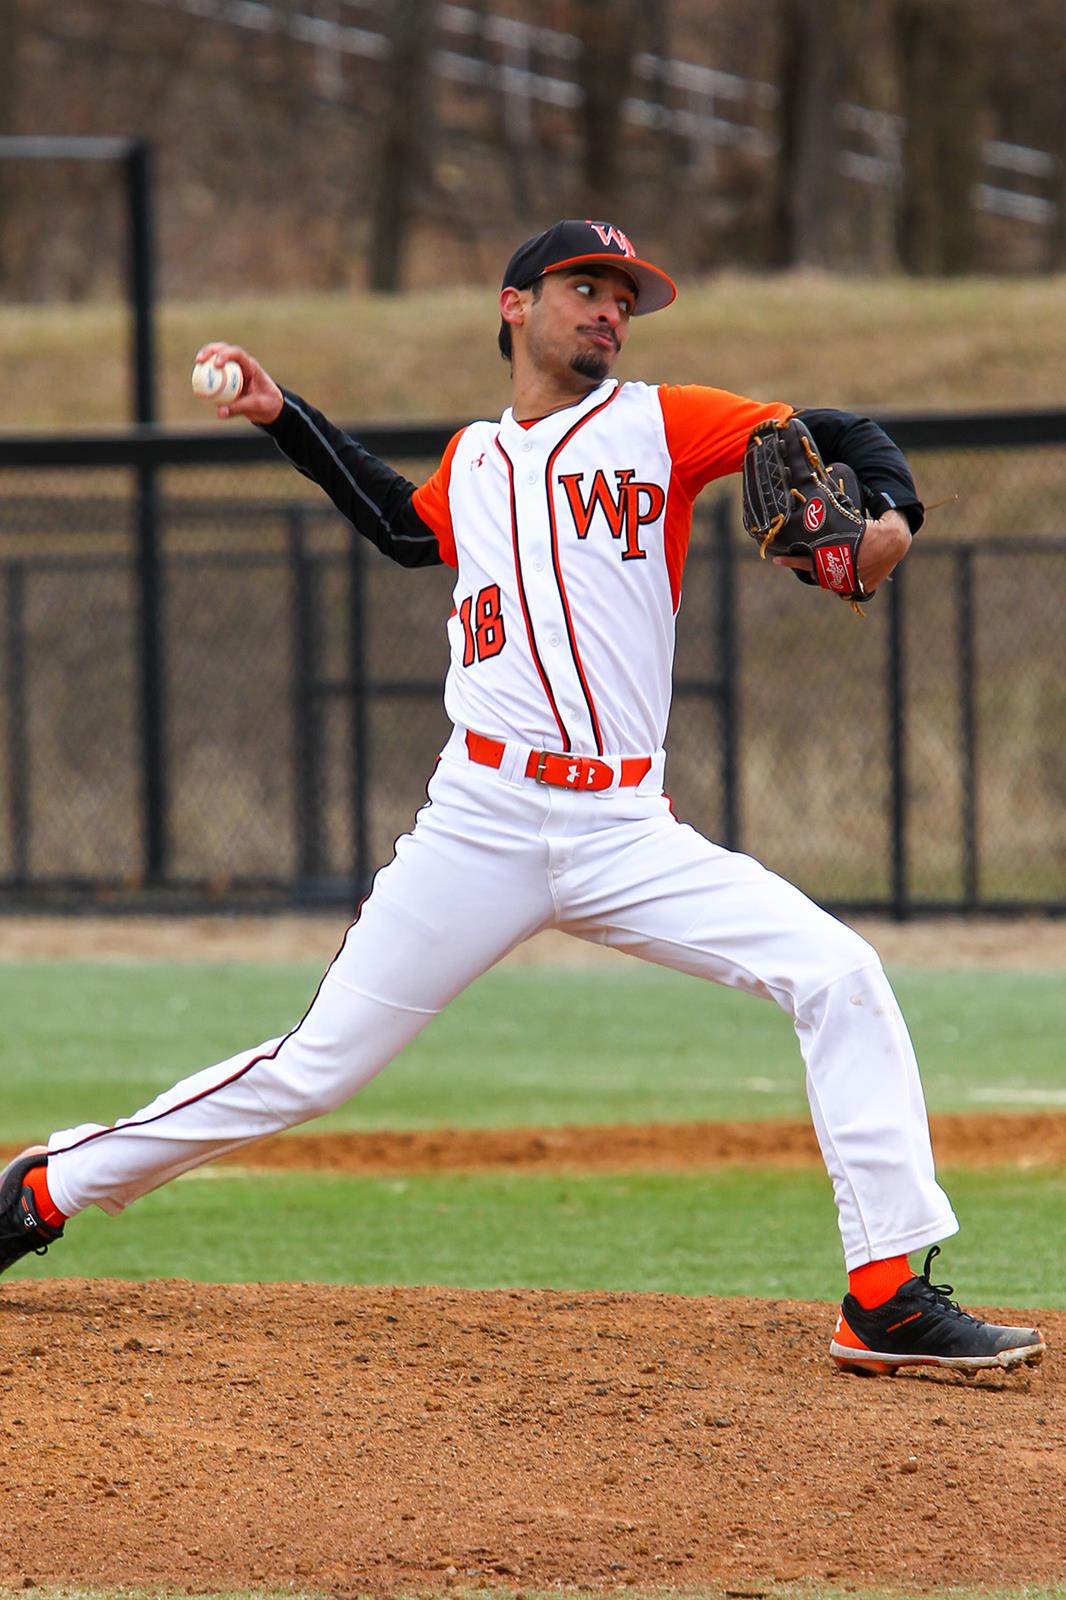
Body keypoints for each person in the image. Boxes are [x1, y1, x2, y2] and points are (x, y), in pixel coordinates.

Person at [1, 220, 1044, 1377]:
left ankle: (885, 1295)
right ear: (515, 305)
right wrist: (281, 413)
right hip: (481, 823)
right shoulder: (477, 462)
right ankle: (45, 1188)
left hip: (626, 829)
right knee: (314, 1066)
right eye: (584, 287)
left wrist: (889, 512)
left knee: (838, 973)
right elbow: (403, 526)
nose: (609, 310)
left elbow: (833, 431)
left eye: (623, 298)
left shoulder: (660, 424)